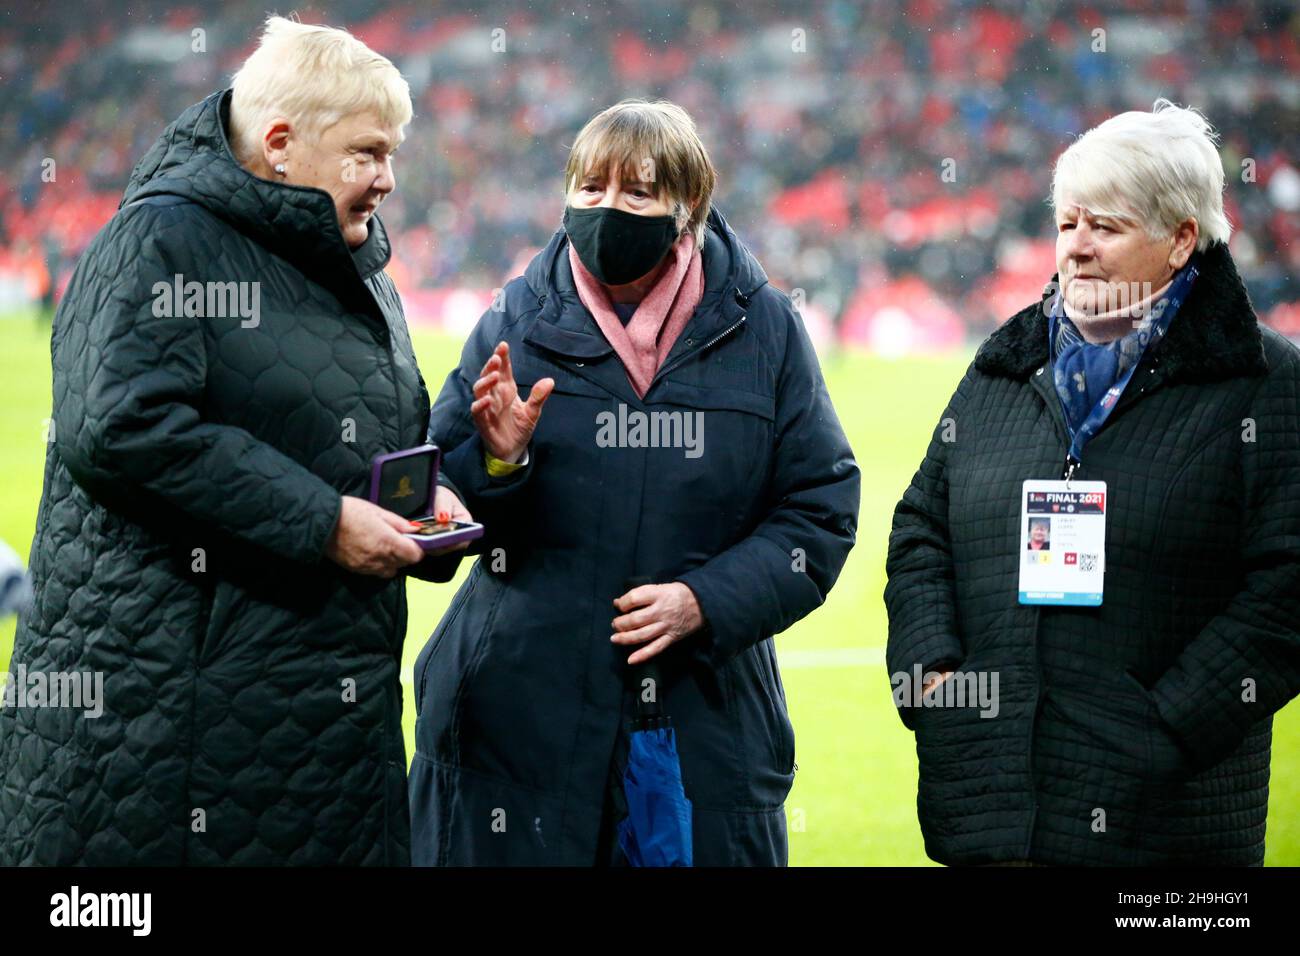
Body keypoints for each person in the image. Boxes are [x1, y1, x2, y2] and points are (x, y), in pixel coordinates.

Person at [0, 16, 469, 865]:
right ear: (282, 144)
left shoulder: (354, 267)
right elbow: (122, 426)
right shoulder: (163, 238)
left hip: (319, 737)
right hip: (173, 739)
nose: (390, 179)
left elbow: (356, 443)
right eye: (368, 153)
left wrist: (421, 502)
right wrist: (324, 521)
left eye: (392, 153)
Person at [409, 99, 860, 866]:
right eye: (590, 187)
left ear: (688, 208)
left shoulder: (766, 330)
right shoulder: (514, 317)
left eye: (637, 192)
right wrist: (499, 463)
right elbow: (438, 510)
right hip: (516, 723)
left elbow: (819, 512)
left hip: (700, 722)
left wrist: (706, 603)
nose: (607, 209)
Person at [885, 100, 1300, 866]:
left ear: (1182, 239)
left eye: (1104, 227)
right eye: (1068, 223)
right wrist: (930, 679)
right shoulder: (1004, 364)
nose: (1076, 249)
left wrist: (1166, 728)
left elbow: (1288, 589)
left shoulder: (1265, 381)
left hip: (1164, 828)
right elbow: (920, 527)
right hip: (990, 808)